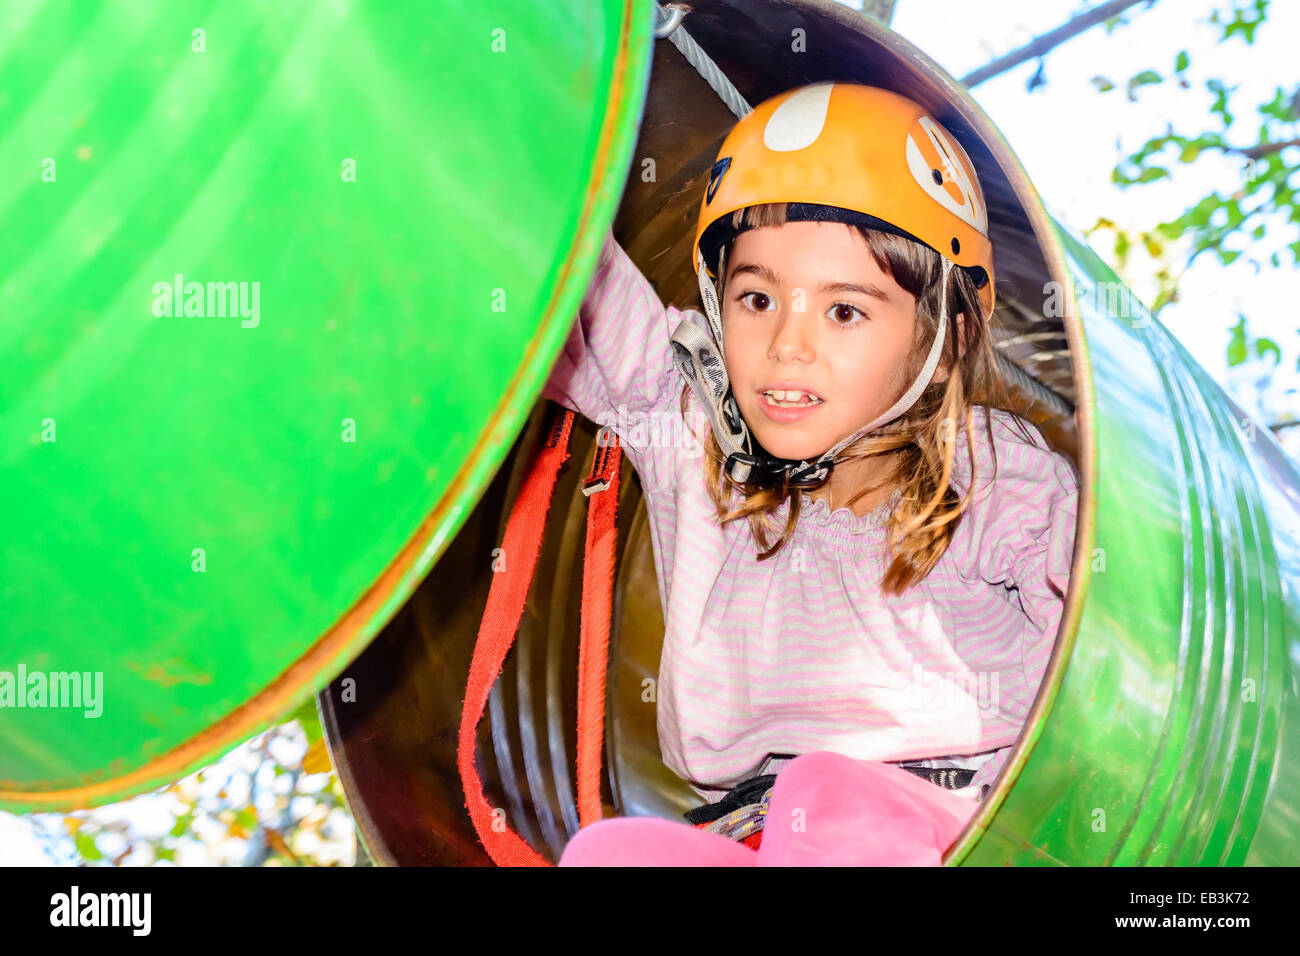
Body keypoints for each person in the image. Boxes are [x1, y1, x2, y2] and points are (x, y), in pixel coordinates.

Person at [542, 82, 1079, 865]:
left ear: (946, 338)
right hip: (757, 832)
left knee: (828, 800)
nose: (788, 344)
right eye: (756, 297)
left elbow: (1103, 661)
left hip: (959, 823)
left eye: (844, 311)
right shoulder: (695, 430)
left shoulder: (997, 481)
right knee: (611, 854)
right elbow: (559, 286)